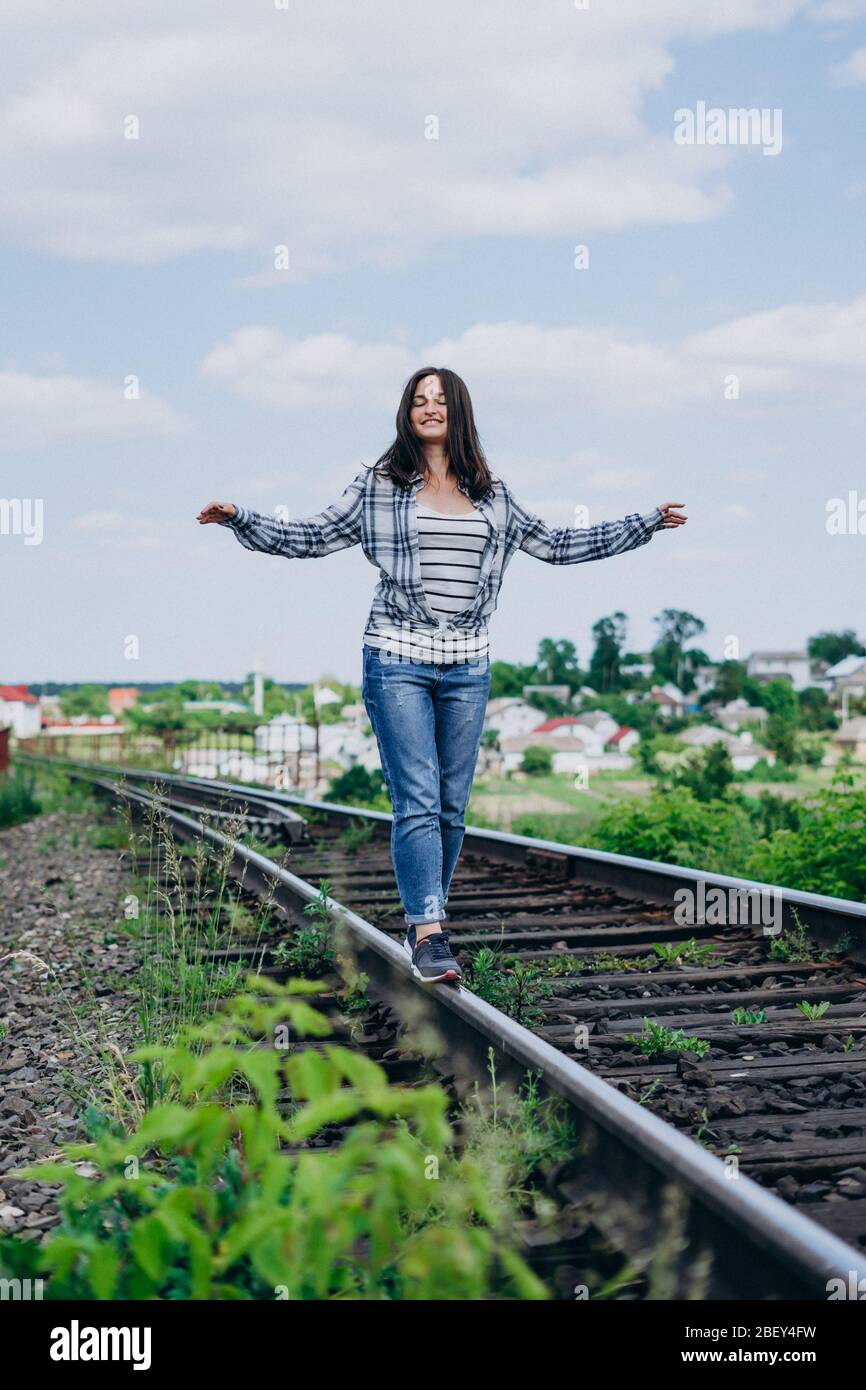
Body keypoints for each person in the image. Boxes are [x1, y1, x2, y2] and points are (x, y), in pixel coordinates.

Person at [198, 366, 687, 984]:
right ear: (406, 413)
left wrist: (641, 525)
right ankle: (427, 928)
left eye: (441, 400)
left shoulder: (493, 495)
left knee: (452, 808)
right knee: (419, 800)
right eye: (418, 400)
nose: (430, 409)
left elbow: (559, 545)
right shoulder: (378, 486)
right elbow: (312, 537)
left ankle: (432, 910)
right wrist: (243, 518)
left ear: (459, 412)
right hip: (396, 657)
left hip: (468, 665)